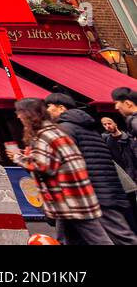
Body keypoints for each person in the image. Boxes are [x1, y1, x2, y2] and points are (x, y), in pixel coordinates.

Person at [14, 97, 109, 245]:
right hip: (72, 196)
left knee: (97, 239)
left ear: (30, 114)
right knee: (70, 240)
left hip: (68, 198)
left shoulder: (45, 136)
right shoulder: (54, 131)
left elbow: (45, 166)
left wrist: (18, 158)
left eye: (20, 112)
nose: (18, 116)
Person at [45, 93, 137, 245]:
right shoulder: (89, 129)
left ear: (61, 108)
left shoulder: (64, 129)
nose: (47, 110)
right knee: (119, 236)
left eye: (49, 106)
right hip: (107, 190)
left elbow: (62, 161)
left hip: (83, 193)